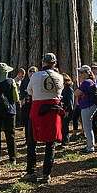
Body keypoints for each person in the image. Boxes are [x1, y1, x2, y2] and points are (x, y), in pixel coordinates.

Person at [25, 53, 64, 183]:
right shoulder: (59, 76)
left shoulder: (35, 76)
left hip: (37, 110)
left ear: (43, 62)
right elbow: (60, 93)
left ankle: (31, 171)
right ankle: (46, 174)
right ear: (55, 63)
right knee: (50, 143)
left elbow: (29, 91)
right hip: (53, 112)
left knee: (32, 142)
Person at [0, 62, 19, 164]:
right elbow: (16, 98)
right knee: (10, 135)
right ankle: (12, 158)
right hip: (9, 111)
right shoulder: (11, 82)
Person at [59, 74, 76, 148]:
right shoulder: (63, 88)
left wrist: (67, 111)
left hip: (67, 110)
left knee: (65, 127)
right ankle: (63, 140)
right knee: (62, 126)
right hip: (63, 110)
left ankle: (65, 142)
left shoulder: (69, 89)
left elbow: (70, 102)